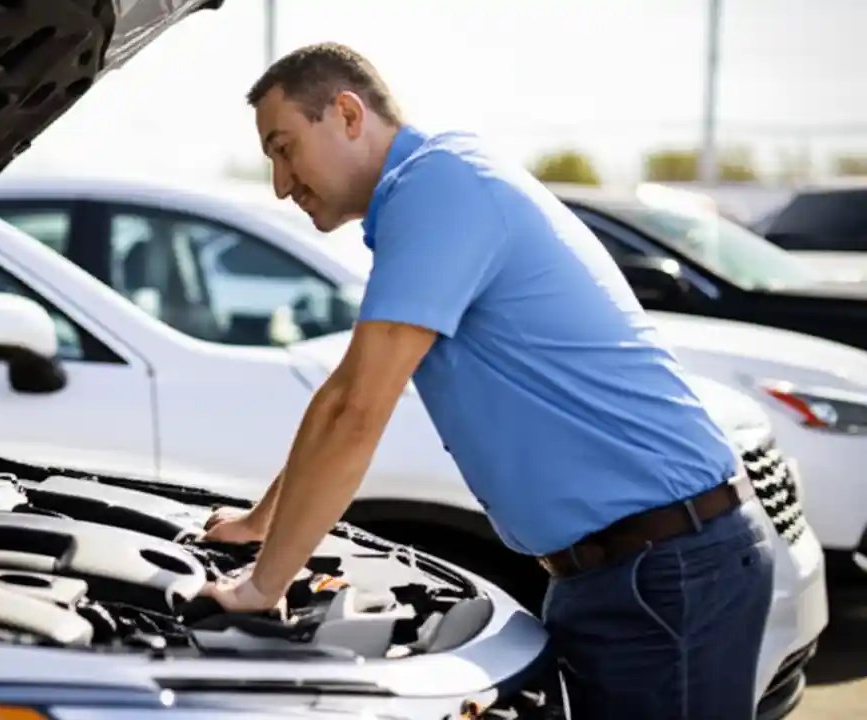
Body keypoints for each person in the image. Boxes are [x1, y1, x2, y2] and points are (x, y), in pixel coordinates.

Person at [194, 42, 776, 719]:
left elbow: (358, 411)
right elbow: (341, 395)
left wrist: (263, 588)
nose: (279, 182)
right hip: (626, 571)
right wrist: (259, 525)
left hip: (663, 571)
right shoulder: (435, 186)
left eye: (284, 146)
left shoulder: (439, 188)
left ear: (348, 114)